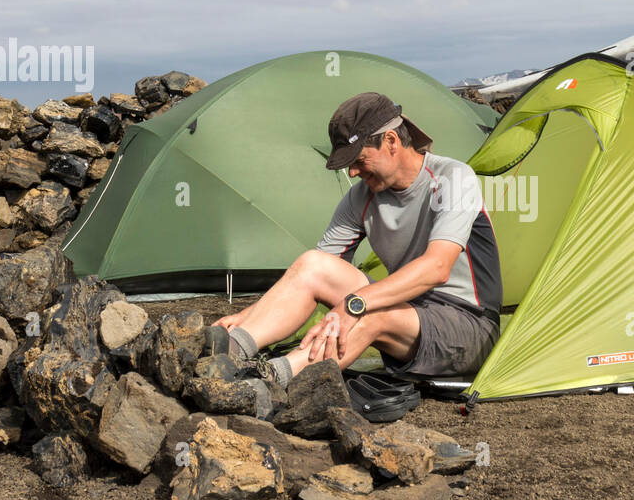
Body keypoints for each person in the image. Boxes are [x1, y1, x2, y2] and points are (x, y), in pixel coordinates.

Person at [208, 91, 501, 389]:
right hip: (406, 311)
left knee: (369, 313)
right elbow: (309, 275)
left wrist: (353, 305)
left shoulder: (454, 178)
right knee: (312, 264)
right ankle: (229, 353)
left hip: (469, 326)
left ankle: (266, 383)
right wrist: (246, 317)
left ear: (391, 142)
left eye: (359, 159)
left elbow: (437, 267)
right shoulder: (361, 197)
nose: (352, 171)